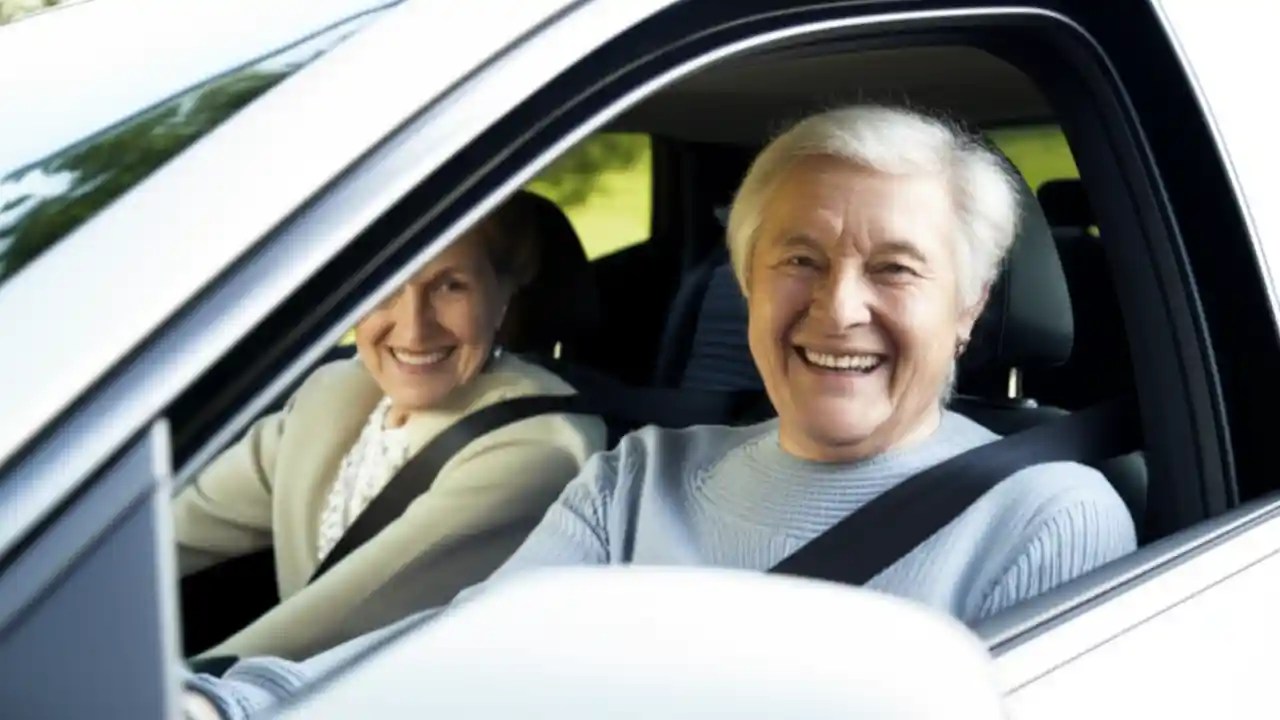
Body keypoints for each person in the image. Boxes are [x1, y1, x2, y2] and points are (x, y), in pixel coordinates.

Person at [183, 104, 1136, 718]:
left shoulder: (1047, 515)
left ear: (966, 309)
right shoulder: (639, 476)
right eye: (798, 260)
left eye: (895, 269)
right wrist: (221, 704)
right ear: (750, 285)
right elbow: (450, 657)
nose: (838, 307)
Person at [173, 192, 606, 660]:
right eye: (384, 284)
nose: (413, 328)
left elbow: (332, 626)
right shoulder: (332, 395)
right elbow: (175, 532)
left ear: (501, 298)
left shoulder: (541, 448)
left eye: (450, 286)